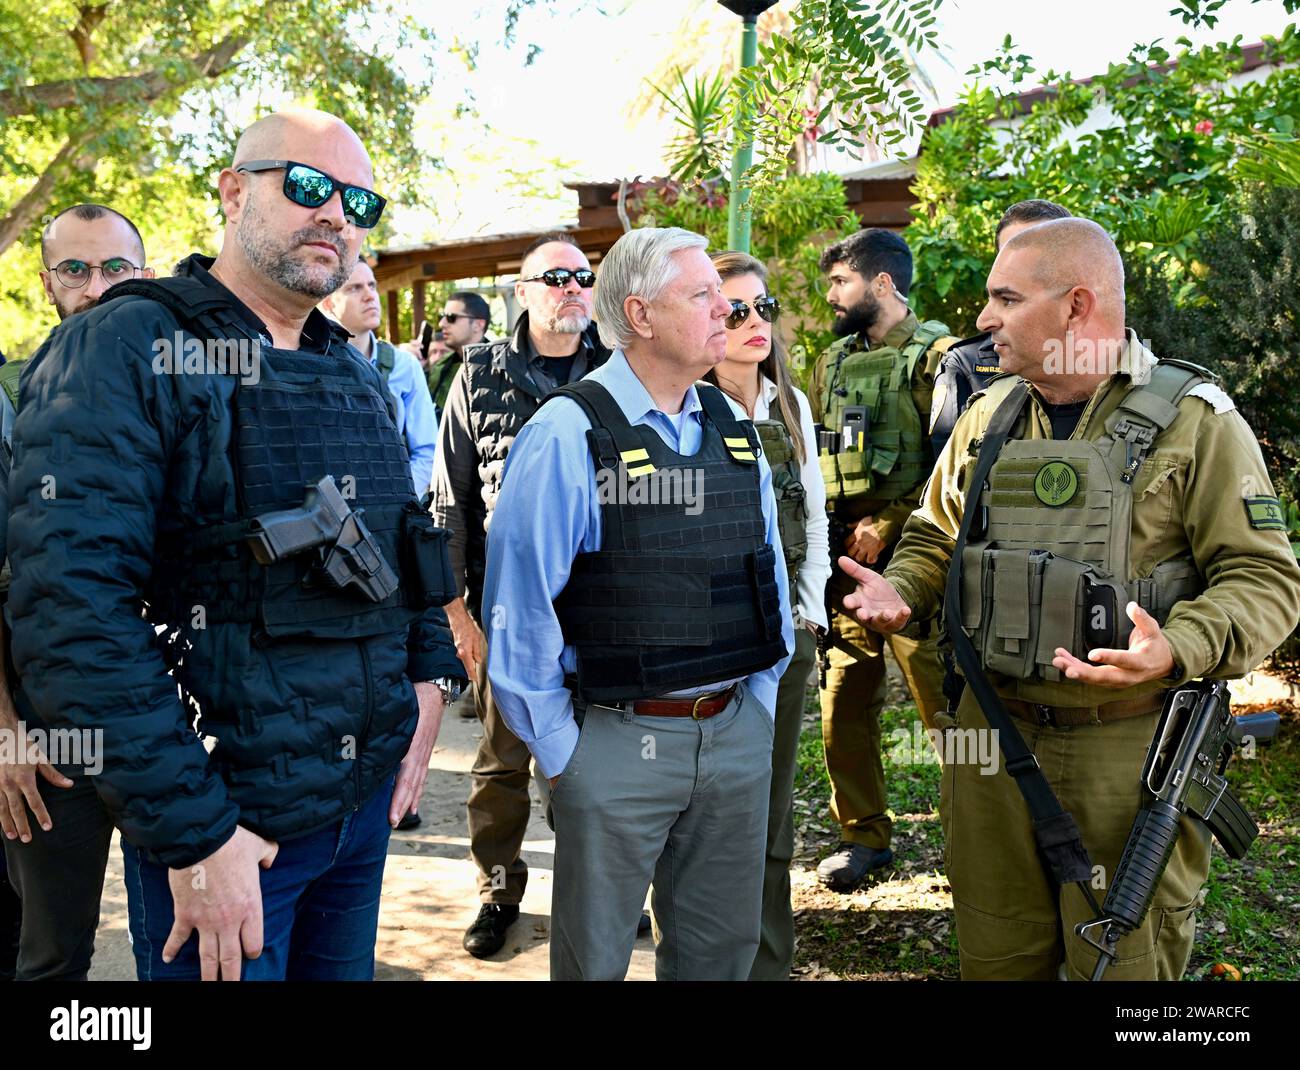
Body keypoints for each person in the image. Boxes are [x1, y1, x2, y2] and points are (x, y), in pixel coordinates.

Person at [5, 108, 464, 982]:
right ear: (232, 192)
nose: (335, 213)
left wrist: (428, 682)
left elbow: (409, 546)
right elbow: (72, 614)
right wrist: (193, 834)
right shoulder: (122, 345)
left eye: (358, 200)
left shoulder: (351, 369)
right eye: (307, 186)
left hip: (356, 817)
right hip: (230, 833)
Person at [842, 217, 1300, 980]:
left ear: (1077, 306)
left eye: (1005, 299)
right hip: (990, 738)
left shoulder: (1195, 422)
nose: (984, 320)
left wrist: (1176, 646)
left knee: (1123, 964)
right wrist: (903, 586)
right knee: (995, 953)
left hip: (1128, 750)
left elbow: (1265, 580)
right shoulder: (990, 415)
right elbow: (934, 534)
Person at [483, 227, 794, 981]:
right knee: (594, 965)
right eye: (703, 295)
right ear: (641, 315)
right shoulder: (567, 432)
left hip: (733, 734)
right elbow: (518, 611)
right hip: (616, 743)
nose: (729, 309)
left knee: (720, 959)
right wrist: (565, 756)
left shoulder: (731, 422)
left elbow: (767, 567)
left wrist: (756, 702)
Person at [432, 232, 611, 958]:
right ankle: (498, 895)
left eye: (583, 276)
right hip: (509, 615)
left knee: (602, 767)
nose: (571, 287)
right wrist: (457, 614)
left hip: (608, 610)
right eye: (555, 277)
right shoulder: (479, 375)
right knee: (503, 767)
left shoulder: (620, 366)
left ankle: (603, 893)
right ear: (524, 292)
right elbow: (449, 504)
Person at [0, 203, 153, 982]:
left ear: (145, 274)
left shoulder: (192, 386)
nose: (96, 289)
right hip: (49, 737)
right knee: (52, 957)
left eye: (115, 268)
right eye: (75, 270)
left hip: (172, 734)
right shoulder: (12, 400)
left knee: (191, 947)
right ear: (47, 283)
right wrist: (4, 734)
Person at [809, 228, 956, 892]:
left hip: (918, 564)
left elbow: (960, 466)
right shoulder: (833, 362)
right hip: (846, 563)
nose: (831, 296)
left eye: (840, 282)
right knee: (843, 704)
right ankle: (863, 836)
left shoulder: (940, 358)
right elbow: (821, 456)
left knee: (946, 712)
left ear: (882, 284)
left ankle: (977, 837)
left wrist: (891, 522)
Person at [705, 250, 830, 980]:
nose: (757, 323)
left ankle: (766, 965)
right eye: (735, 310)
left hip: (784, 640)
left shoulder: (791, 405)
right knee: (707, 815)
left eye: (764, 307)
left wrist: (809, 615)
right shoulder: (685, 405)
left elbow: (814, 517)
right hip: (706, 647)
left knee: (772, 819)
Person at [930, 199, 1072, 459]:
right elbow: (952, 473)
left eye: (1037, 253)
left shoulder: (1107, 359)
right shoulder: (965, 362)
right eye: (1011, 250)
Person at [321, 260, 438, 495]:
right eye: (354, 288)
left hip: (395, 507)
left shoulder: (405, 366)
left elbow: (427, 450)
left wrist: (399, 498)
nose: (369, 296)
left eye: (372, 286)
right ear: (328, 302)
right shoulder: (312, 363)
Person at [427, 292, 489, 413]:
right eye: (442, 317)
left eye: (451, 317)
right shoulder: (442, 365)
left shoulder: (498, 368)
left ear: (478, 324)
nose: (442, 324)